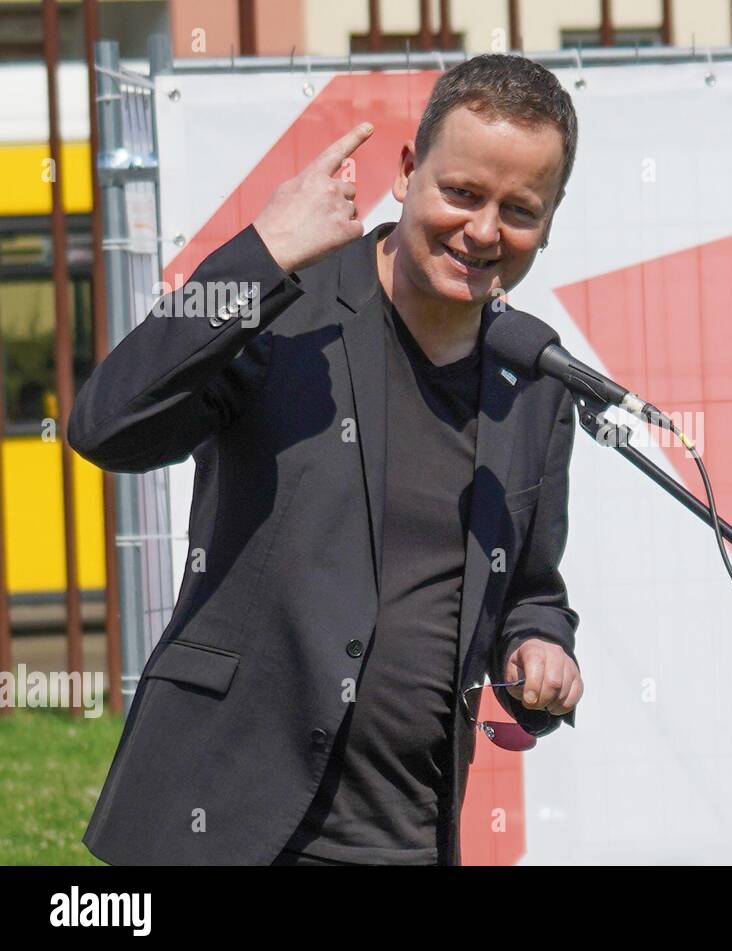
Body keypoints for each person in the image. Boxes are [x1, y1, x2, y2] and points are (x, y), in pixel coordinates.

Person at [69, 53, 584, 866]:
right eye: (463, 193)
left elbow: (528, 588)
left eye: (519, 208)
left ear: (550, 219)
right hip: (228, 826)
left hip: (406, 836)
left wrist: (539, 642)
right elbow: (108, 427)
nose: (484, 230)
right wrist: (262, 253)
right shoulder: (286, 311)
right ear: (410, 172)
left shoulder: (536, 382)